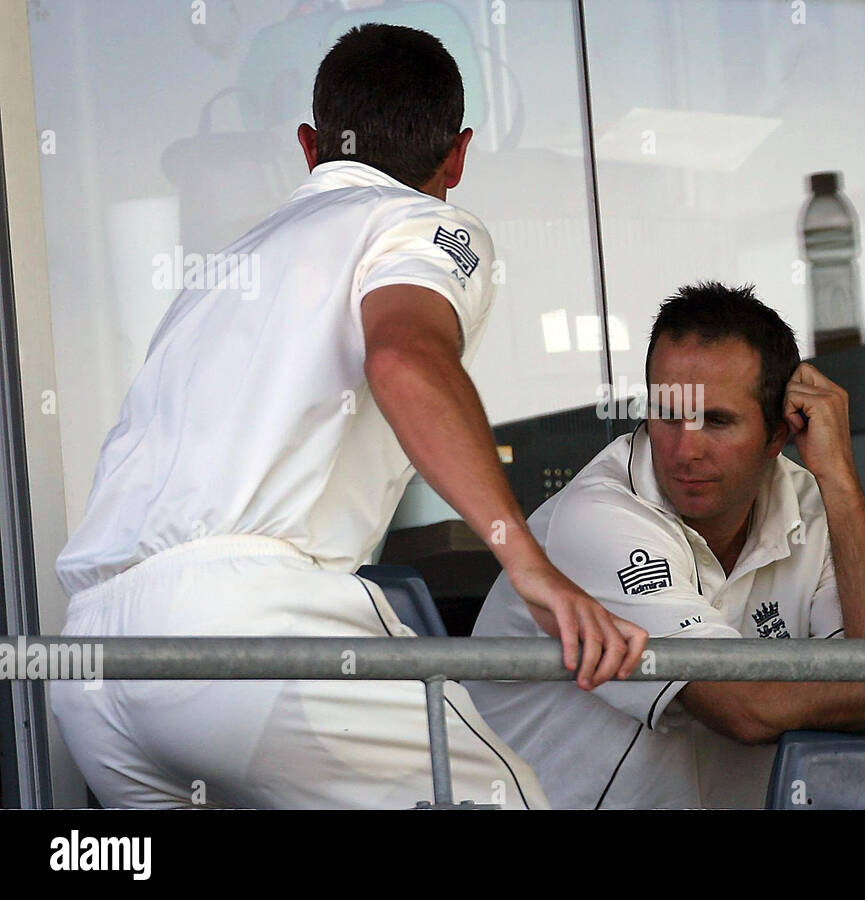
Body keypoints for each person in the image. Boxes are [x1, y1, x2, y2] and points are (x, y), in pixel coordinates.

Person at [49, 23, 645, 810]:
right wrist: (524, 561)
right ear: (459, 155)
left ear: (310, 147)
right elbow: (404, 358)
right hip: (242, 629)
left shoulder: (221, 274)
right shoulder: (418, 223)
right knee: (507, 799)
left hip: (93, 666)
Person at [465, 281, 865, 808]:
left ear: (780, 431)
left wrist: (838, 477)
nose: (685, 449)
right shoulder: (597, 517)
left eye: (719, 421)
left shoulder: (807, 496)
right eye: (668, 415)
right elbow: (746, 707)